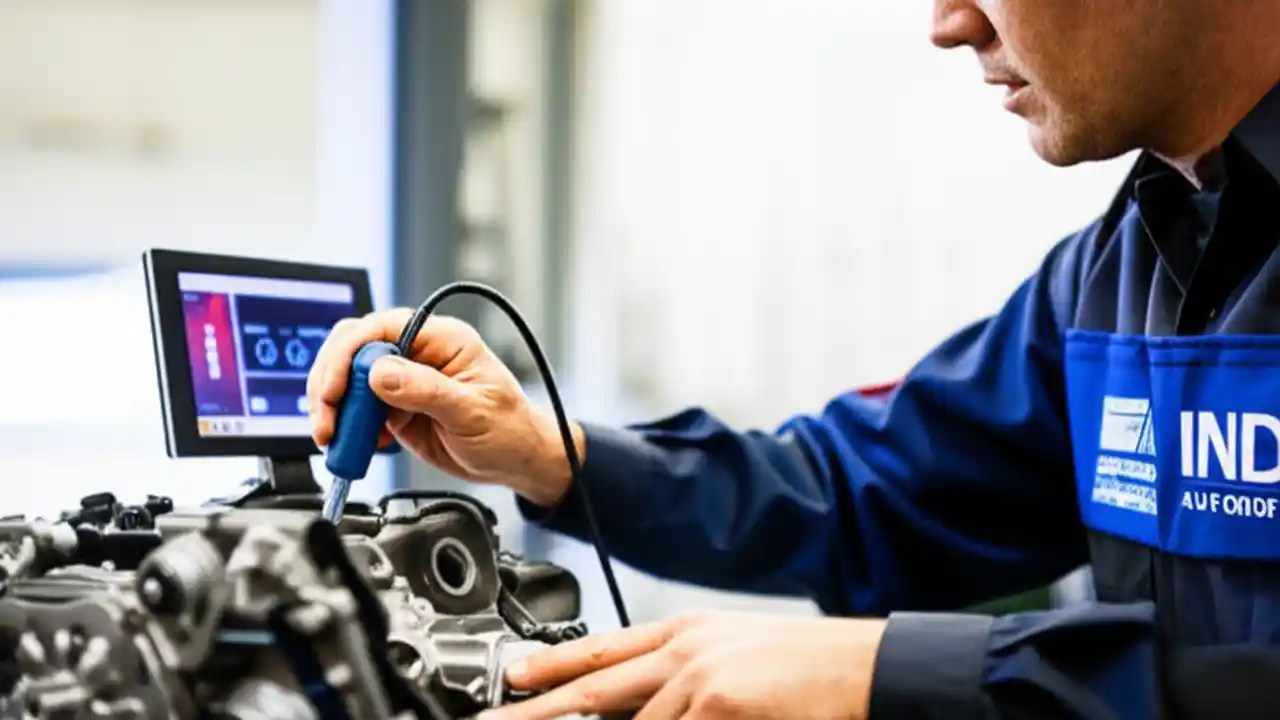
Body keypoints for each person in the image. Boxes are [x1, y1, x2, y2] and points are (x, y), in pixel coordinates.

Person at [308, 1, 1280, 717]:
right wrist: (551, 451)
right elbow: (863, 491)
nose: (948, 23)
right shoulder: (1118, 270)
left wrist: (879, 673)